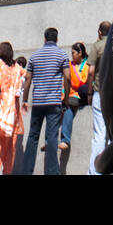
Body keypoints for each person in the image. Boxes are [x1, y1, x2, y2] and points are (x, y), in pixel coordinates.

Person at [21, 28, 70, 175]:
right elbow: (67, 77)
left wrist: (25, 99)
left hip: (38, 102)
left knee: (33, 137)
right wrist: (66, 99)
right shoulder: (62, 54)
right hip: (54, 102)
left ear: (44, 38)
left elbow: (28, 79)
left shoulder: (35, 56)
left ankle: (27, 171)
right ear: (57, 39)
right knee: (52, 137)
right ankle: (52, 172)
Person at [0, 41, 25, 176]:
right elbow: (27, 76)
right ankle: (7, 172)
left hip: (0, 111)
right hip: (13, 112)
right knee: (11, 146)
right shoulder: (18, 68)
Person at [86, 20, 112, 175]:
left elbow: (90, 72)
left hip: (99, 92)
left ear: (100, 32)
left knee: (99, 134)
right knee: (111, 134)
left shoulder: (97, 46)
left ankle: (94, 171)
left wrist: (89, 92)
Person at [60, 42, 89, 152]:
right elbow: (65, 83)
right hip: (69, 94)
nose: (72, 55)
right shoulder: (69, 65)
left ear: (80, 53)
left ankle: (65, 139)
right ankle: (49, 141)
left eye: (73, 53)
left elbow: (82, 82)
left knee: (68, 107)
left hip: (81, 95)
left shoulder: (87, 65)